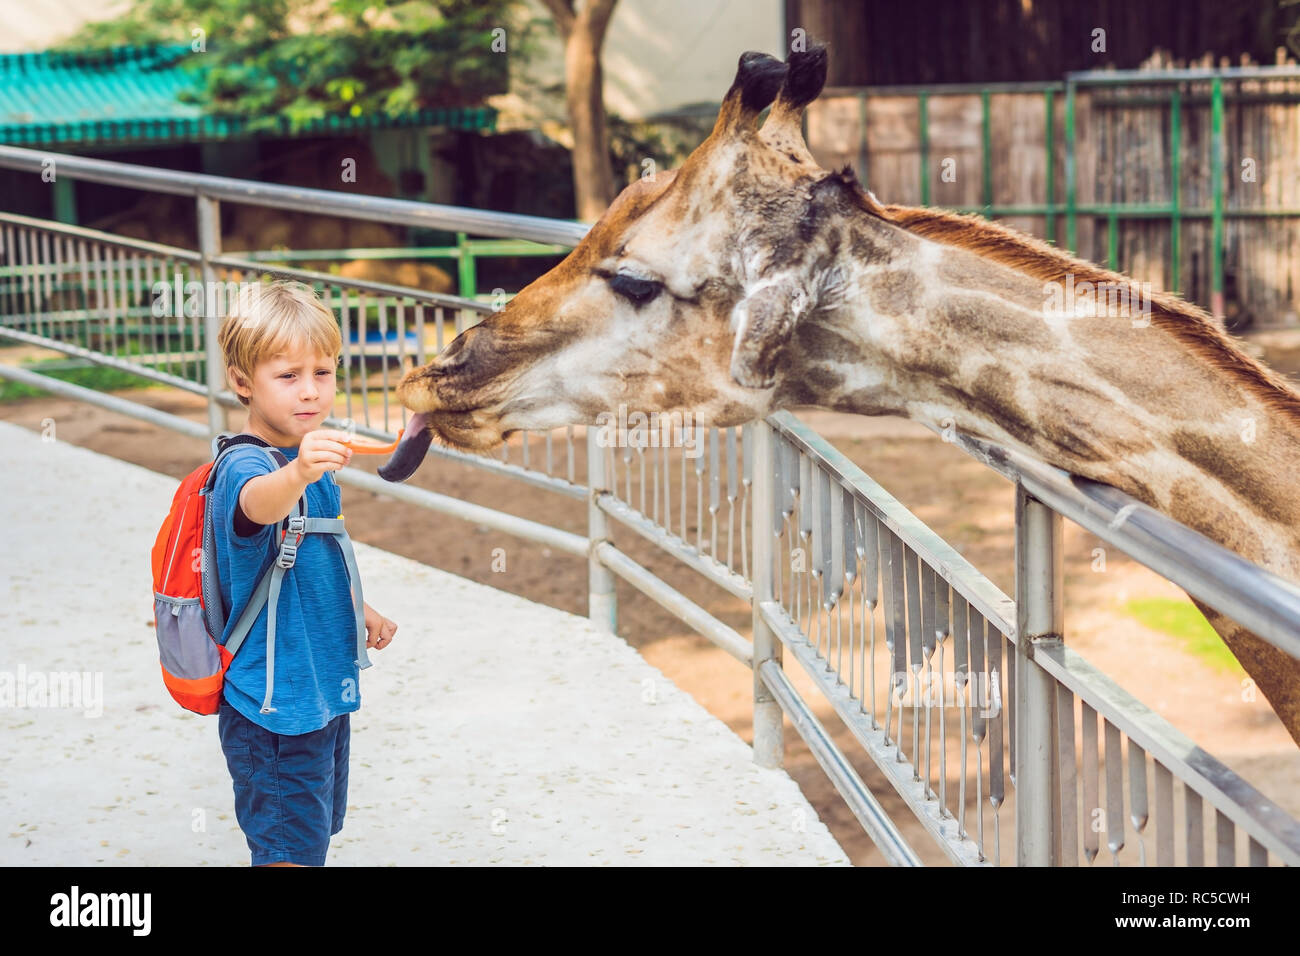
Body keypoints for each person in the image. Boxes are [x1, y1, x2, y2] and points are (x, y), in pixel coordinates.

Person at [211, 279, 398, 866]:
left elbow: (310, 549)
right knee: (287, 851)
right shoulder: (247, 464)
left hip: (316, 691)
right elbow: (256, 508)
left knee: (308, 836)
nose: (310, 391)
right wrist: (297, 475)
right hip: (272, 706)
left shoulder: (305, 457)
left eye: (323, 372)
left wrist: (356, 606)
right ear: (243, 383)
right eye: (287, 376)